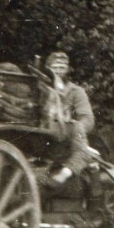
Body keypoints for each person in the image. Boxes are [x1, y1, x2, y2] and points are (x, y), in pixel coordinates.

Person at [39, 50, 95, 189]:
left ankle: (66, 172)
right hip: (43, 134)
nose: (58, 71)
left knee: (79, 133)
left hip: (67, 139)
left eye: (62, 67)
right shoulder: (41, 89)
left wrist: (76, 127)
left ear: (67, 69)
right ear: (49, 69)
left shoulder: (76, 92)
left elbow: (88, 118)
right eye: (55, 67)